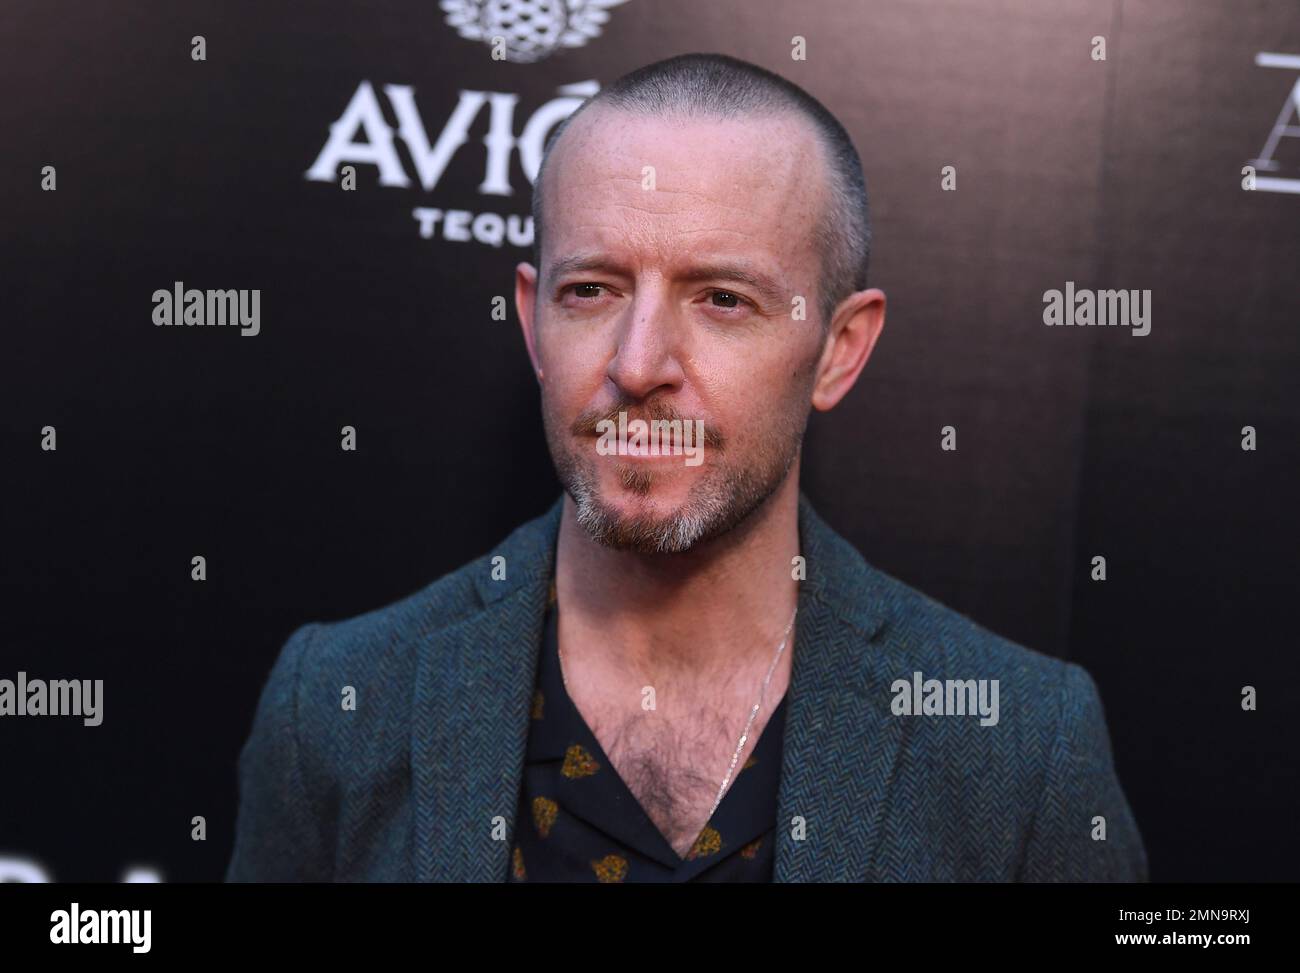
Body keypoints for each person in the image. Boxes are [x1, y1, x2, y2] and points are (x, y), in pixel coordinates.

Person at [226, 52, 1147, 883]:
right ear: (534, 320)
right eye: (592, 289)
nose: (637, 365)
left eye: (722, 299)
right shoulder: (338, 706)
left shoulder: (1019, 745)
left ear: (839, 349)